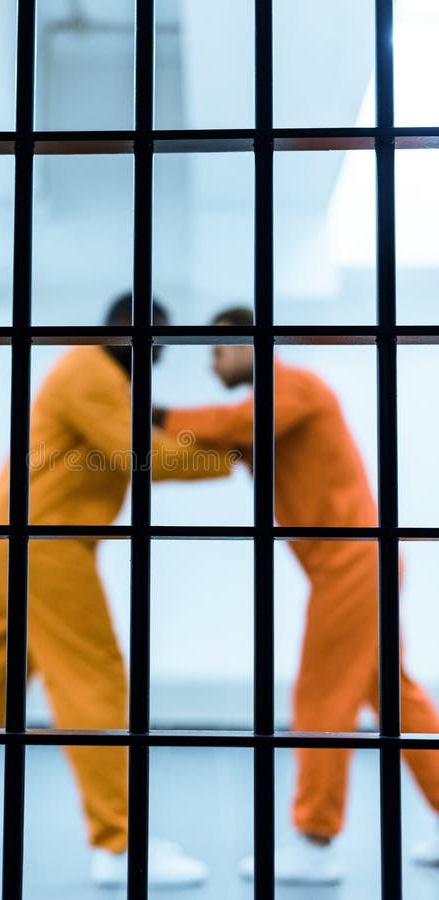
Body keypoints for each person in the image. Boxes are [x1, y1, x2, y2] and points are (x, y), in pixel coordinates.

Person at [0, 293, 232, 888]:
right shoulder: (89, 368)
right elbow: (138, 457)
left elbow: (143, 427)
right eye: (140, 333)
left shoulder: (101, 377)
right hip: (43, 545)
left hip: (18, 537)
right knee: (94, 677)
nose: (148, 346)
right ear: (111, 329)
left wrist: (194, 428)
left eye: (156, 338)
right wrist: (230, 455)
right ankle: (119, 843)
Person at [153, 304, 439, 885]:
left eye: (219, 351)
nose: (214, 364)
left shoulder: (296, 390)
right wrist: (118, 455)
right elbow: (218, 448)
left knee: (320, 698)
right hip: (358, 565)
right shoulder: (265, 413)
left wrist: (153, 412)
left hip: (352, 566)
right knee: (396, 699)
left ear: (251, 346)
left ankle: (315, 841)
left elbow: (232, 427)